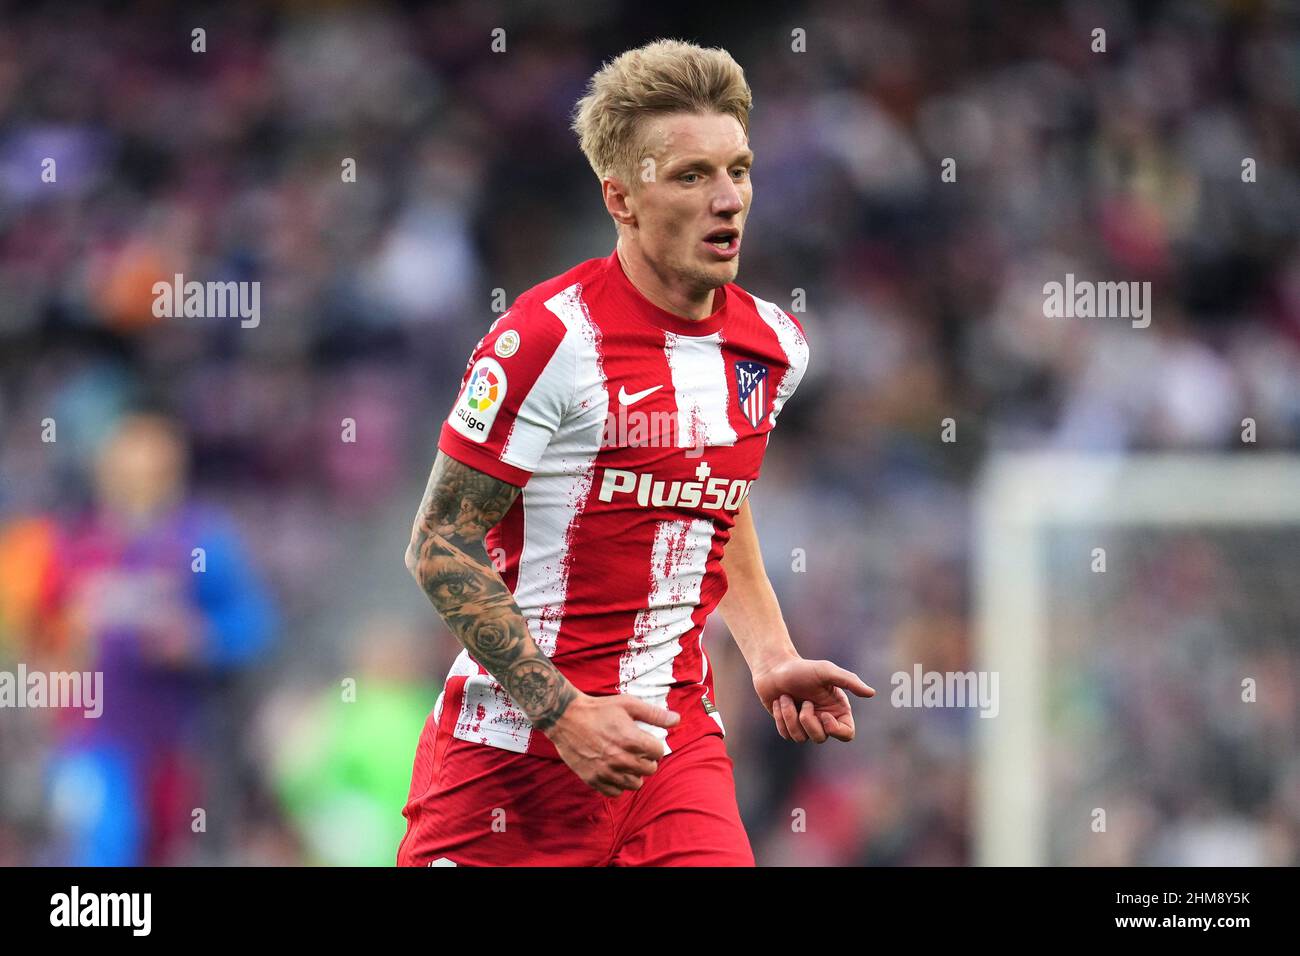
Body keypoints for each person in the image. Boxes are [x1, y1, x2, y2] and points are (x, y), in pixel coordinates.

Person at [397, 39, 874, 867]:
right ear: (621, 197)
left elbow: (715, 493)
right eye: (691, 176)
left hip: (673, 750)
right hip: (513, 761)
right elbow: (437, 543)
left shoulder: (774, 345)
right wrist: (564, 714)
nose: (728, 200)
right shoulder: (545, 340)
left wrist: (771, 653)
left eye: (739, 169)